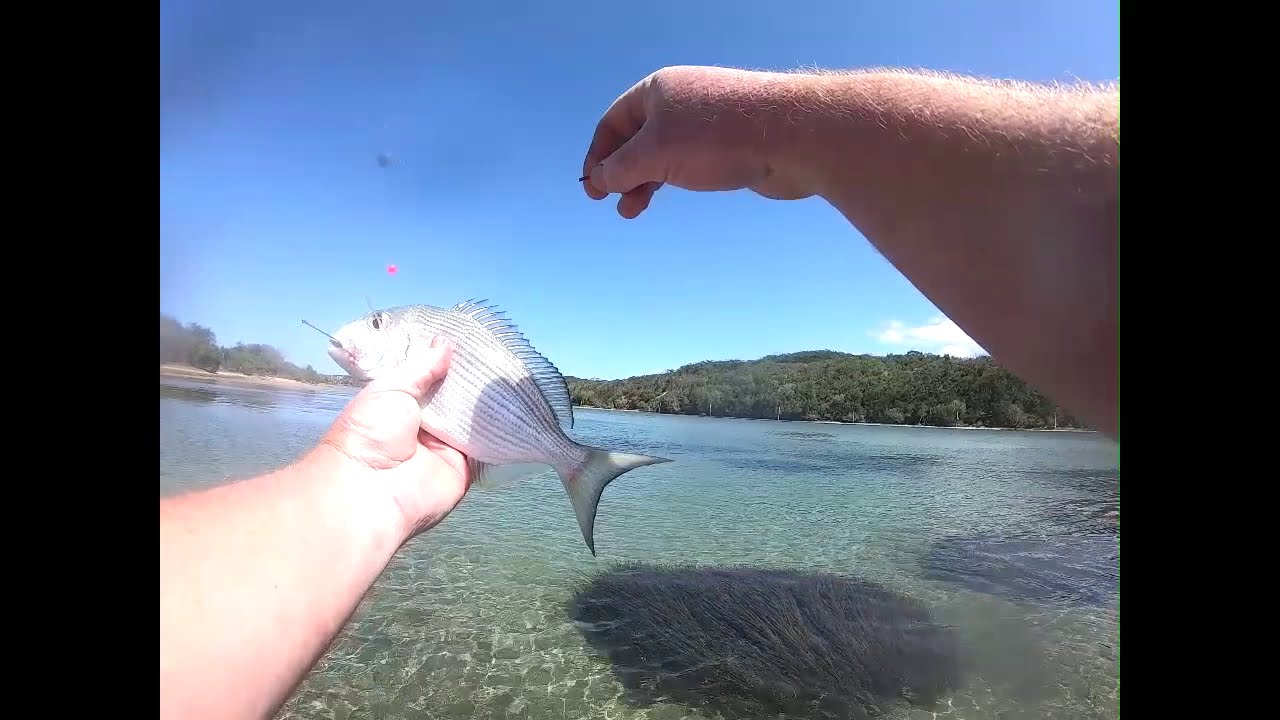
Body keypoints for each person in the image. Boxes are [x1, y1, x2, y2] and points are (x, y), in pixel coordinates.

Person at [159, 65, 1119, 720]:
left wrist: (359, 484)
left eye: (371, 330)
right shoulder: (420, 362)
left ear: (404, 345)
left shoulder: (433, 342)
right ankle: (579, 468)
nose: (352, 340)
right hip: (449, 450)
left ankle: (581, 469)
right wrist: (361, 484)